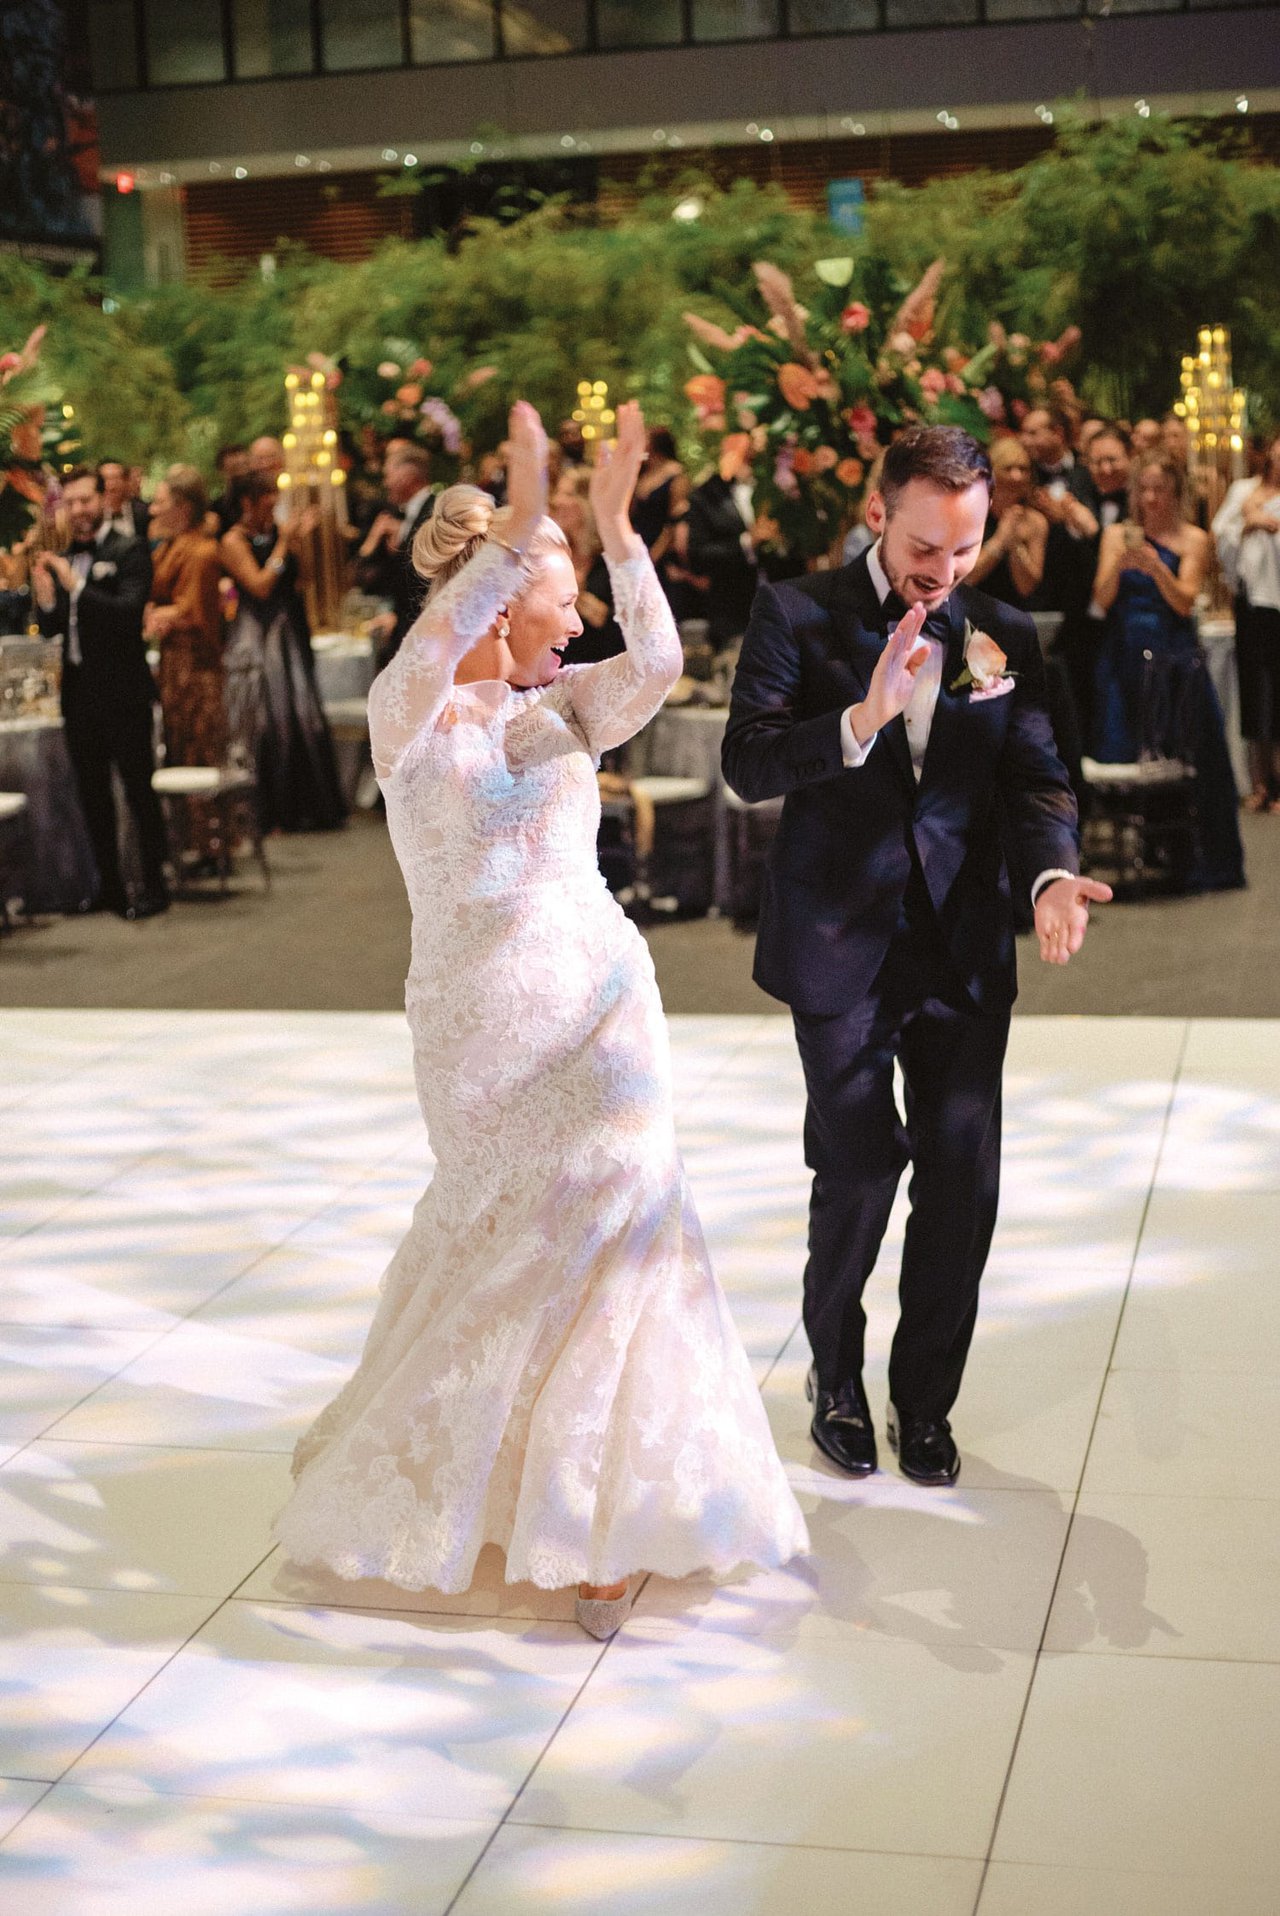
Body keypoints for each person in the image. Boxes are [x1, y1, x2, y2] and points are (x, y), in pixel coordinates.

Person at [274, 401, 806, 1636]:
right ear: (496, 600)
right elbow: (431, 648)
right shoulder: (409, 724)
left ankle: (594, 1516)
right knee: (509, 1243)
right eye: (552, 600)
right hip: (480, 1029)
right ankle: (498, 1491)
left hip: (605, 1012)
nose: (574, 625)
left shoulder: (563, 705)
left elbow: (662, 665)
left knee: (624, 1222)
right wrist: (520, 534)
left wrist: (616, 534)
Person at [723, 425, 1105, 1488]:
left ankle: (921, 1401)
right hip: (837, 942)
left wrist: (1048, 876)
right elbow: (746, 759)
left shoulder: (1005, 635)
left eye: (963, 546)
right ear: (877, 506)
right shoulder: (794, 610)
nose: (940, 571)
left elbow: (1035, 780)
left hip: (963, 945)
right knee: (854, 1167)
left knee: (959, 1177)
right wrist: (857, 717)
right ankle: (833, 1379)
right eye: (923, 545)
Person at [1092, 453, 1245, 890]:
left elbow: (1183, 601)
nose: (1151, 498)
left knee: (1196, 755)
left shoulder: (1194, 539)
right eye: (1144, 490)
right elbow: (1101, 602)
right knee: (1129, 756)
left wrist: (1156, 566)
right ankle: (1149, 847)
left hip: (1174, 656)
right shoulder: (1115, 535)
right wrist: (1122, 564)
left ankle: (1204, 855)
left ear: (1175, 494)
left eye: (1160, 490)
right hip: (1124, 654)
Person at [31, 466, 169, 918]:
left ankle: (154, 886)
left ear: (103, 500)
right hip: (78, 693)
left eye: (85, 501)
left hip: (123, 691)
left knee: (137, 790)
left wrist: (78, 587)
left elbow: (128, 614)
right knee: (92, 793)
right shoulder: (64, 554)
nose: (78, 511)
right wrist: (49, 599)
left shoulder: (128, 550)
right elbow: (55, 629)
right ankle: (108, 886)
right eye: (70, 503)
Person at [219, 474, 346, 831]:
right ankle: (273, 811)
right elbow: (259, 585)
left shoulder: (277, 530)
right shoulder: (232, 540)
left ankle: (310, 806)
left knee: (302, 714)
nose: (273, 502)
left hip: (291, 630)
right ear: (247, 501)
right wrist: (282, 546)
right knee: (268, 718)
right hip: (259, 638)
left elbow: (300, 578)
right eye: (266, 495)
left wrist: (297, 544)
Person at [144, 464, 226, 805]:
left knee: (198, 745)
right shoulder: (168, 546)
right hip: (173, 664)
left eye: (161, 501)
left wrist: (157, 614)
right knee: (178, 744)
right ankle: (190, 840)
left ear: (183, 507)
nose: (153, 509)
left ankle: (210, 839)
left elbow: (191, 610)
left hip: (196, 668)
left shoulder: (202, 551)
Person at [1212, 430, 1280, 812]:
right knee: (1256, 689)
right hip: (1255, 603)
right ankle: (1259, 782)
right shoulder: (1244, 491)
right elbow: (1220, 533)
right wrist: (1249, 522)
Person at [685, 433, 764, 652]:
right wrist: (748, 543)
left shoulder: (779, 487)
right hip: (732, 614)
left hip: (784, 609)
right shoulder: (705, 496)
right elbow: (698, 556)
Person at [360, 443, 436, 670]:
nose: (385, 483)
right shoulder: (407, 514)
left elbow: (425, 577)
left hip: (423, 629)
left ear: (407, 475)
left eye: (388, 475)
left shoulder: (433, 511)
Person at [548, 464, 623, 664]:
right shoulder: (551, 553)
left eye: (569, 495)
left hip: (599, 670)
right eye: (558, 493)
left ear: (590, 503)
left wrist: (601, 614)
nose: (556, 501)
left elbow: (632, 631)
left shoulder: (614, 559)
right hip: (551, 672)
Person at [967, 436, 1048, 611]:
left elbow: (1027, 587)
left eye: (1023, 469)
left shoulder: (1036, 522)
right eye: (1008, 468)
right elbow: (966, 578)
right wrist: (1000, 540)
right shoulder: (968, 516)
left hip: (1016, 615)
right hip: (970, 614)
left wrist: (1014, 544)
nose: (1016, 476)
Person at [97, 458, 150, 542]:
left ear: (126, 481)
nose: (111, 486)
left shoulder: (144, 512)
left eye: (115, 479)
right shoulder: (93, 514)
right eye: (105, 479)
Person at [210, 444, 251, 534]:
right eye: (234, 469)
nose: (241, 475)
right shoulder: (216, 509)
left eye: (244, 466)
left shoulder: (265, 498)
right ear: (222, 471)